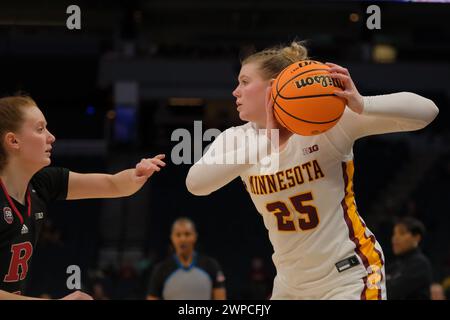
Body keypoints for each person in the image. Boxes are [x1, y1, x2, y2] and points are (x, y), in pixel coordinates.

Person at [185, 41, 439, 300]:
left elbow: (427, 111)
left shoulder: (327, 123)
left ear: (274, 87)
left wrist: (363, 104)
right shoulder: (236, 138)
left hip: (348, 276)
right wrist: (269, 142)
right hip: (289, 284)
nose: (235, 92)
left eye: (245, 82)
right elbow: (196, 184)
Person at [0, 95, 166, 300]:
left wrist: (136, 174)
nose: (51, 137)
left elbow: (112, 184)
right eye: (40, 129)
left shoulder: (42, 183)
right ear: (13, 140)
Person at [146, 217, 226, 300]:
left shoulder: (211, 265)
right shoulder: (161, 269)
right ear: (172, 238)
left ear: (195, 236)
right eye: (178, 235)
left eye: (187, 234)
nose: (182, 239)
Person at [386, 217, 433, 300]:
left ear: (417, 238)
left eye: (402, 233)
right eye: (394, 234)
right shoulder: (395, 265)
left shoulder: (420, 264)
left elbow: (391, 292)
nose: (395, 238)